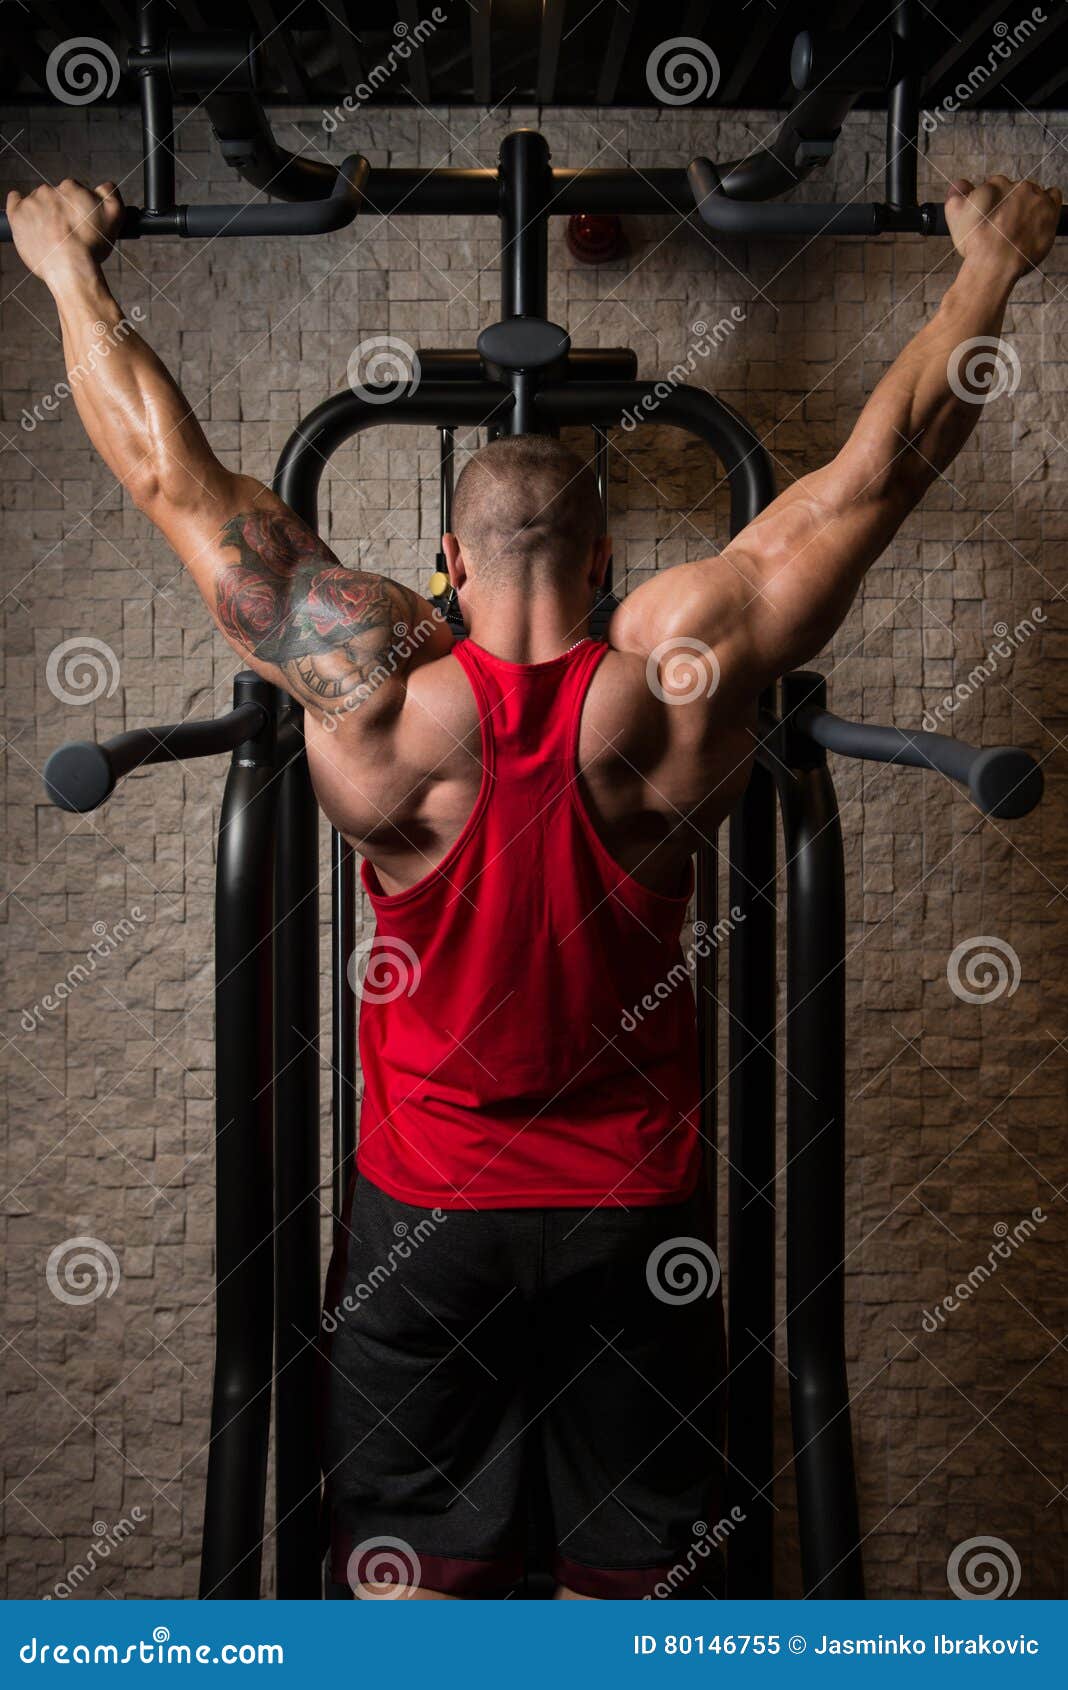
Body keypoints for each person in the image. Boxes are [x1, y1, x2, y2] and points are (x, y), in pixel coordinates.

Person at [7, 172, 1060, 1600]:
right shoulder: (679, 669)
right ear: (613, 559)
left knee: (413, 1590)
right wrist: (988, 267)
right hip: (637, 1220)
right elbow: (879, 475)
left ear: (445, 559)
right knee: (632, 1590)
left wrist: (67, 268)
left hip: (424, 1218)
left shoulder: (366, 678)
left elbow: (171, 481)